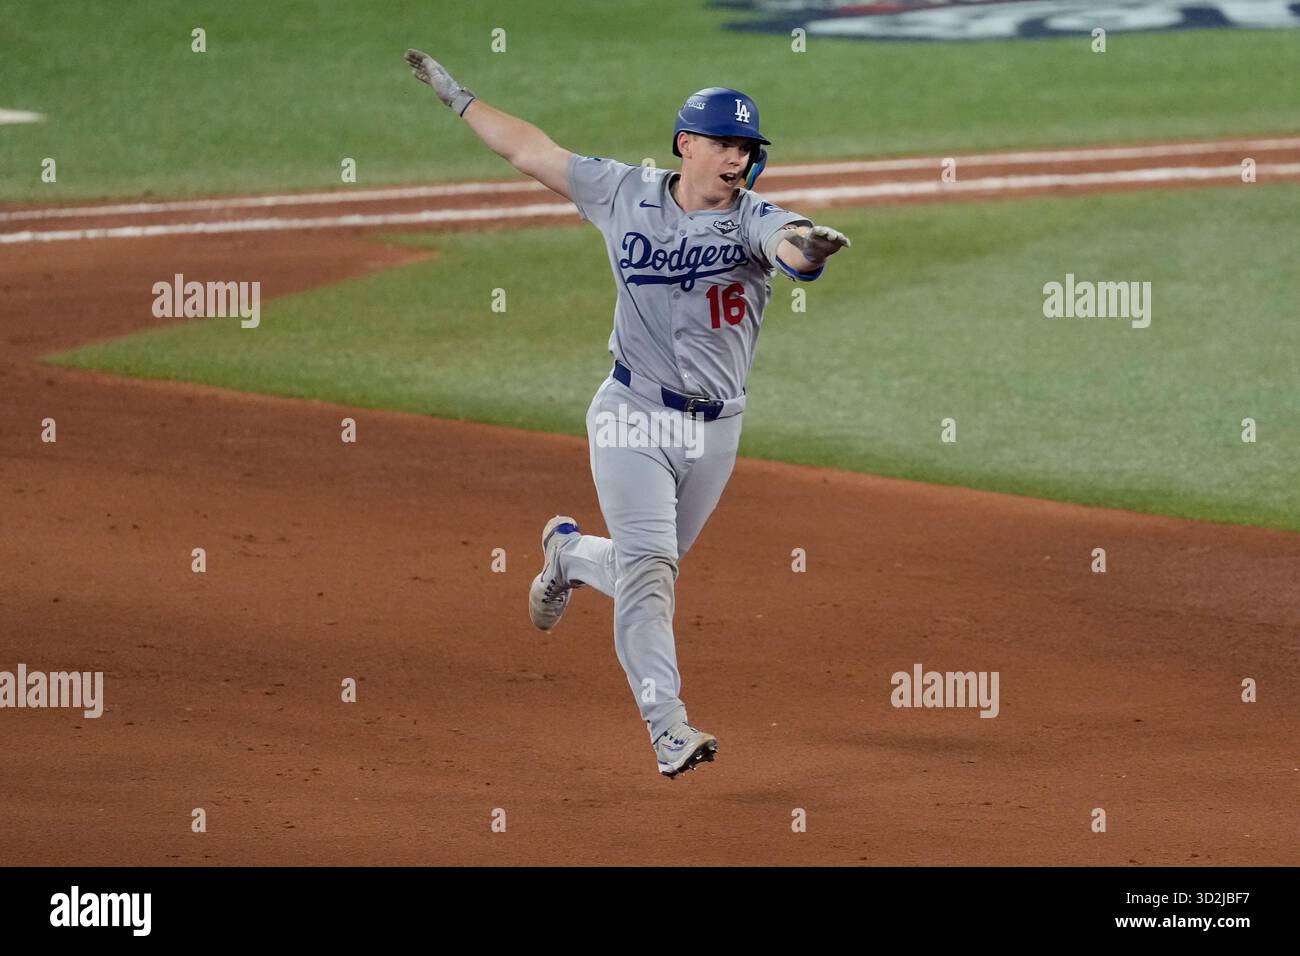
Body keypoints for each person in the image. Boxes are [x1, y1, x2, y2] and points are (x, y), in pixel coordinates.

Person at [406, 49, 851, 778]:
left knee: (652, 568)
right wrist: (459, 98)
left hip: (717, 429)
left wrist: (812, 251)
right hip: (630, 413)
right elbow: (530, 149)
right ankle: (668, 728)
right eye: (724, 143)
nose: (737, 158)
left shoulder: (753, 220)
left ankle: (570, 555)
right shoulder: (621, 191)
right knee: (651, 575)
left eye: (746, 147)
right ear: (687, 144)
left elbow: (791, 246)